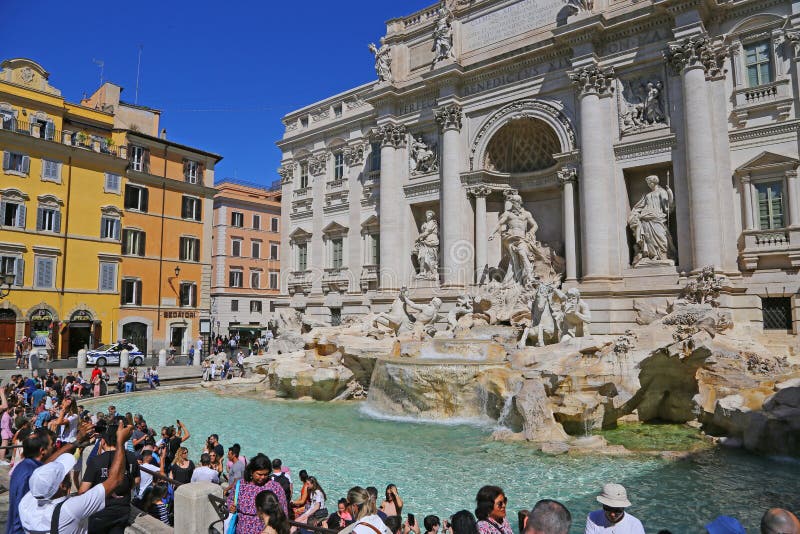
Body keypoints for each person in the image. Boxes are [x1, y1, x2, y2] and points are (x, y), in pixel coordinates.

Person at [19, 421, 133, 534]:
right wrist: (120, 441)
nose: (68, 473)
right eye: (65, 474)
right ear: (62, 485)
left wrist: (77, 441)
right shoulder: (70, 510)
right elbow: (115, 480)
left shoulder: (27, 503)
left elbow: (44, 472)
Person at [79, 424, 141, 534]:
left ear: (103, 442)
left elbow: (83, 491)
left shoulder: (96, 461)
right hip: (122, 511)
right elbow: (137, 480)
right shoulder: (131, 457)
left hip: (99, 512)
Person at [7, 427, 56, 534]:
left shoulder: (23, 466)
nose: (54, 448)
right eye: (52, 445)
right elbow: (22, 509)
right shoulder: (32, 472)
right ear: (42, 450)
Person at [226, 454, 289, 534]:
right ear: (251, 472)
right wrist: (231, 507)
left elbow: (283, 512)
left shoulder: (275, 488)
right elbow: (230, 499)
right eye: (259, 474)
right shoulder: (241, 485)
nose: (262, 477)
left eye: (266, 474)